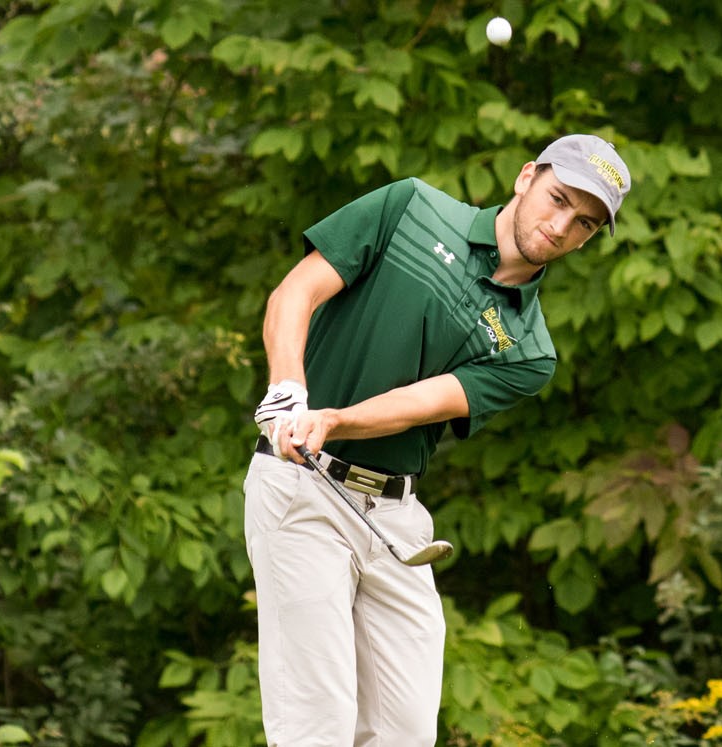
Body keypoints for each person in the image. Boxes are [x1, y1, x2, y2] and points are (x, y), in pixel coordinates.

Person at [244, 134, 631, 745]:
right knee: (315, 724)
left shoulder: (529, 348)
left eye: (583, 223)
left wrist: (336, 418)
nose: (560, 226)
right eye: (558, 199)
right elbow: (296, 293)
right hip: (302, 488)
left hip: (396, 520)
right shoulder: (411, 208)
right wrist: (290, 387)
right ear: (526, 177)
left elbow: (422, 401)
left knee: (406, 732)